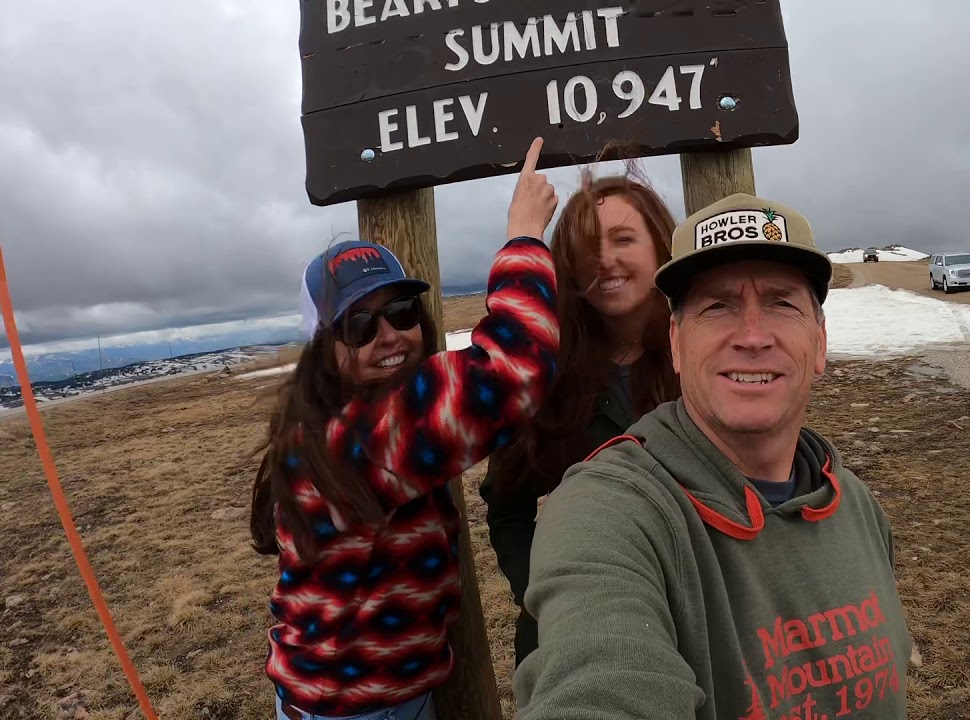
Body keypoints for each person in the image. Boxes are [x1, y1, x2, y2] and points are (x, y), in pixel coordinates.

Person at [514, 193, 913, 720]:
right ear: (677, 343)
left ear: (819, 342)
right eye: (717, 305)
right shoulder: (610, 510)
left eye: (782, 303)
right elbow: (601, 682)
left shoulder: (855, 503)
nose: (752, 336)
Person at [248, 138, 560, 720]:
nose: (389, 335)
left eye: (402, 312)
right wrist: (524, 234)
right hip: (364, 710)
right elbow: (515, 367)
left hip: (352, 697)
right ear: (324, 348)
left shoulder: (328, 425)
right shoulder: (361, 435)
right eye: (360, 325)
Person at [478, 172, 681, 669]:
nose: (604, 258)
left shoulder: (701, 358)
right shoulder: (549, 374)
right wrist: (547, 597)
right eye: (588, 245)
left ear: (662, 246)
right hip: (576, 645)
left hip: (696, 626)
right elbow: (507, 508)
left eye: (624, 239)